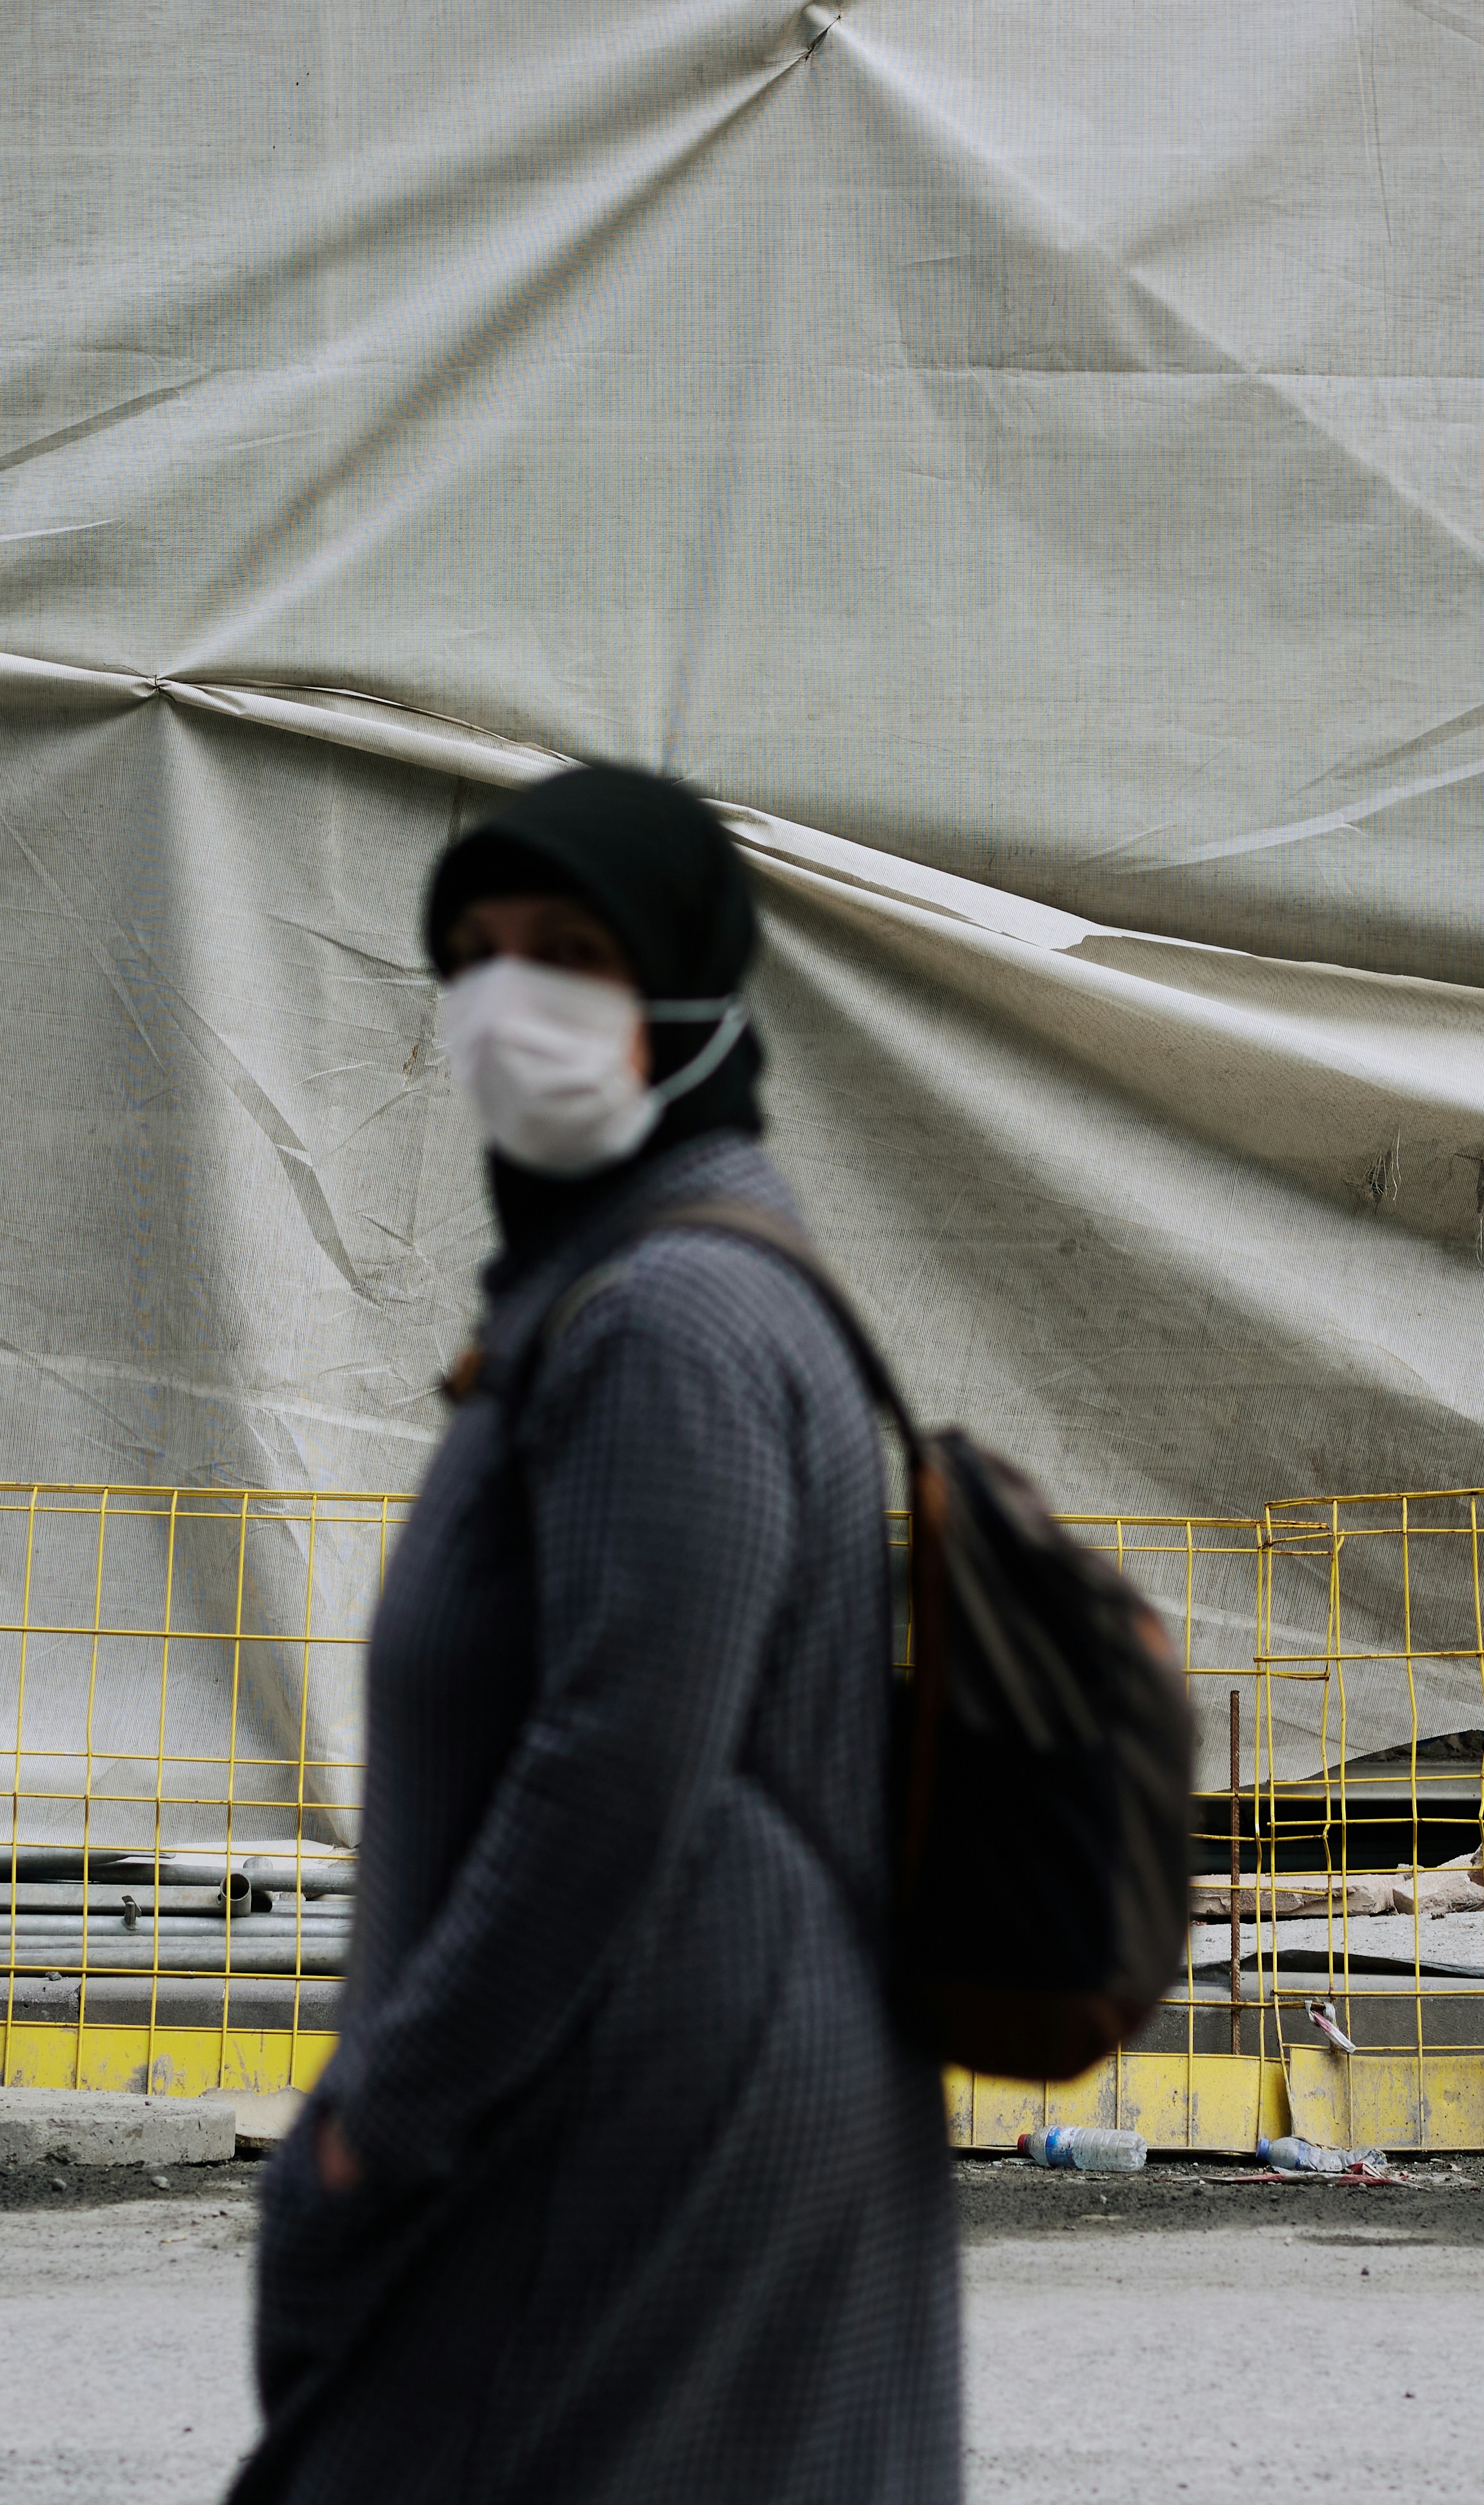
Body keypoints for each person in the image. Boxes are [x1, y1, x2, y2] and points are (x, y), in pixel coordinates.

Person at [232, 764, 961, 2504]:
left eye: (575, 952)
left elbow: (616, 1772)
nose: (513, 1006)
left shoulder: (673, 1321)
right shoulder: (623, 1284)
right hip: (638, 2085)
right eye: (474, 957)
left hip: (629, 2116)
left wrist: (380, 2124)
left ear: (693, 988)